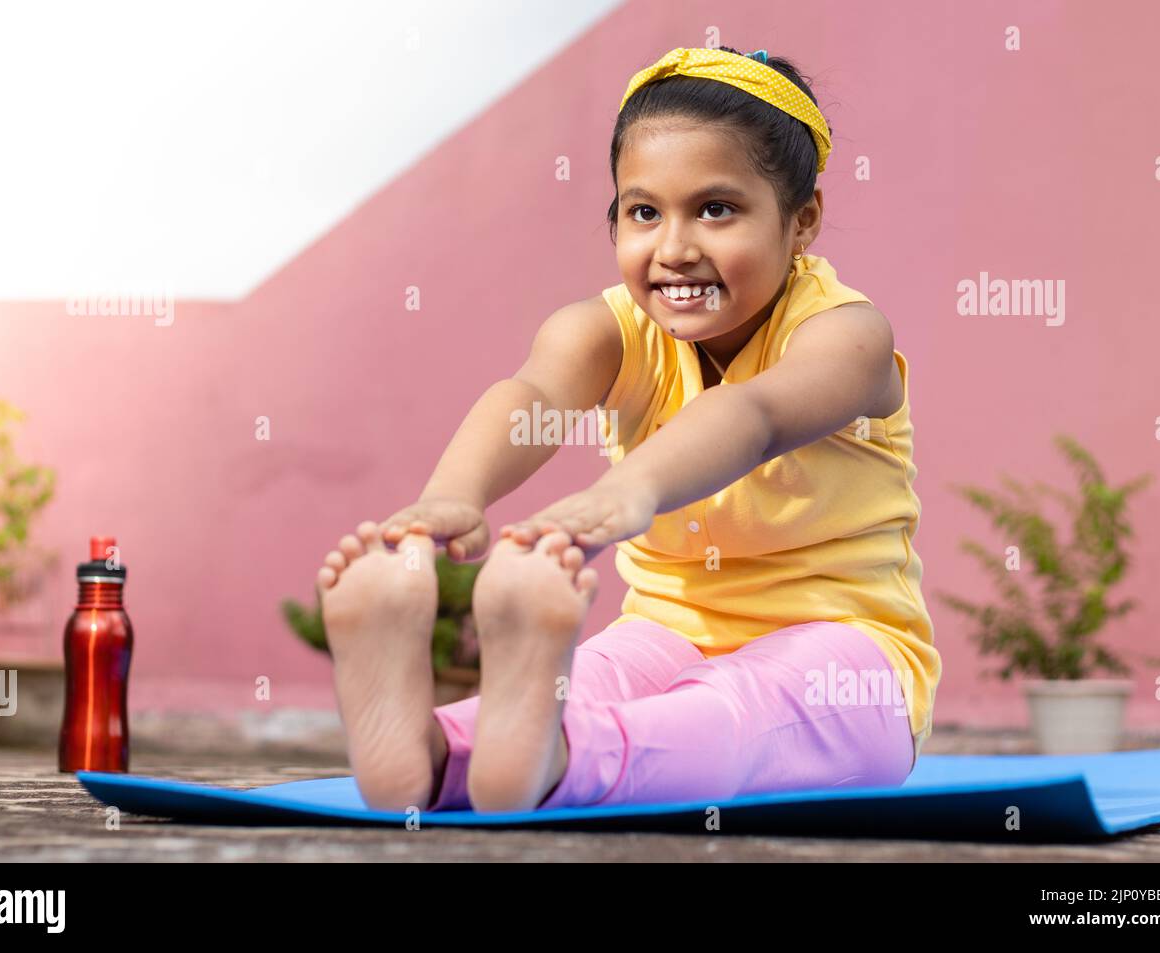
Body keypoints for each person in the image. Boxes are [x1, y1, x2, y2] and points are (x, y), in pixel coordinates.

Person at [315, 45, 941, 814]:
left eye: (716, 209)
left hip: (851, 662)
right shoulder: (607, 330)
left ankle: (552, 764)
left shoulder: (847, 339)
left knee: (730, 710)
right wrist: (453, 495)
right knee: (584, 683)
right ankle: (433, 753)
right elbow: (533, 393)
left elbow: (753, 414)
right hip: (663, 633)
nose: (674, 248)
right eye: (644, 212)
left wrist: (627, 490)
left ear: (802, 220)